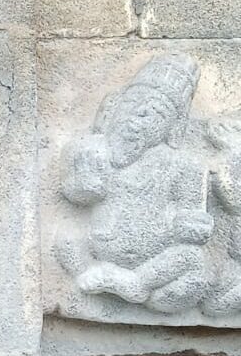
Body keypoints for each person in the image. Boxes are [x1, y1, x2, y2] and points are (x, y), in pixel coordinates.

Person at [55, 53, 212, 313]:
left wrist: (193, 225)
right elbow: (75, 194)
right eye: (134, 103)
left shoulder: (186, 167)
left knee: (192, 261)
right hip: (97, 251)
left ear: (172, 127)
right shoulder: (96, 150)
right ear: (115, 107)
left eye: (157, 113)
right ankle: (93, 277)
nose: (140, 116)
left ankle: (134, 283)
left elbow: (192, 225)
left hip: (155, 263)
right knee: (65, 237)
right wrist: (84, 179)